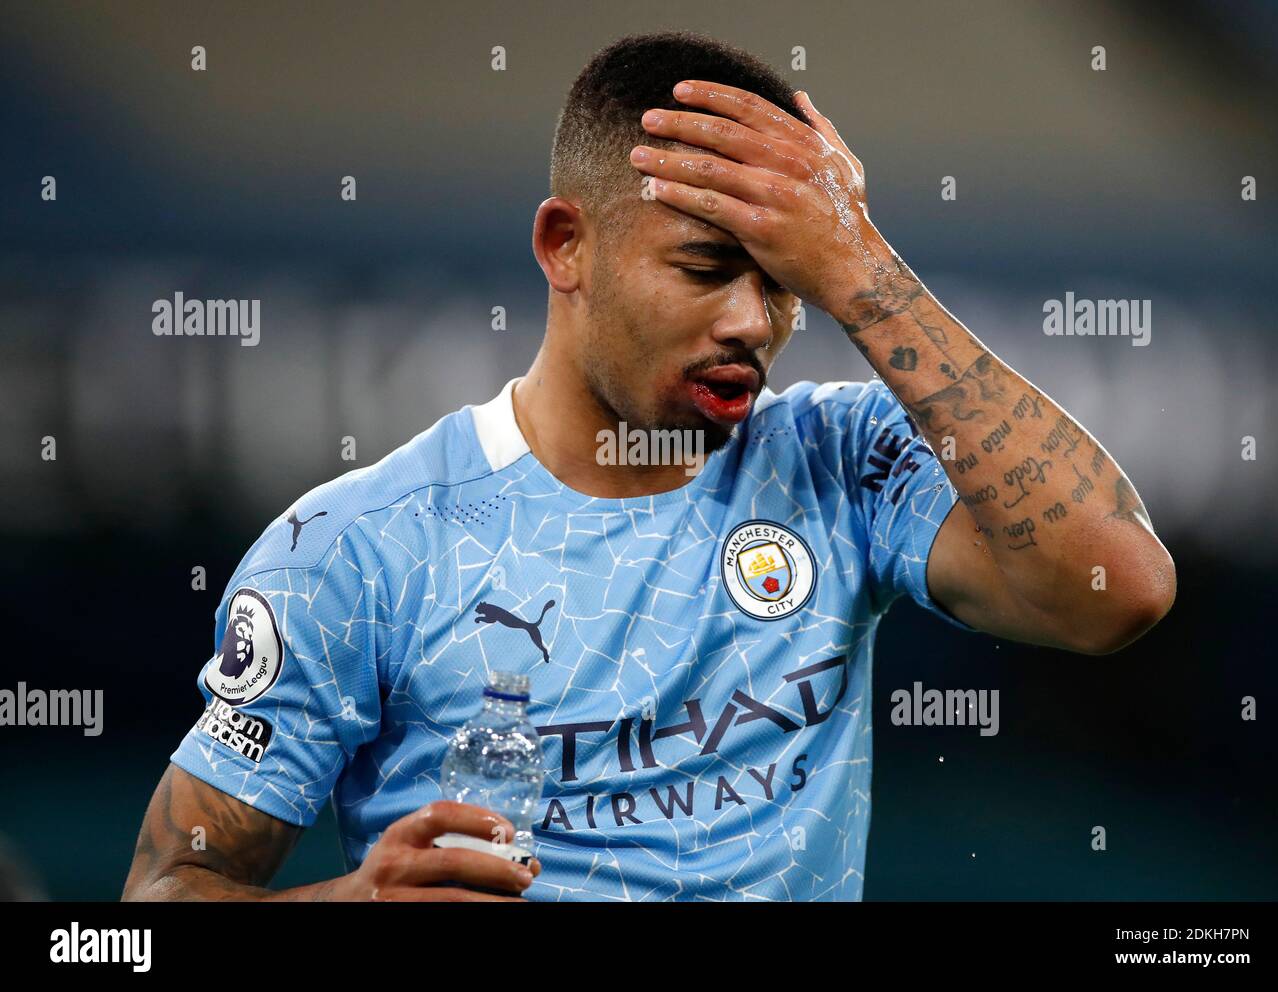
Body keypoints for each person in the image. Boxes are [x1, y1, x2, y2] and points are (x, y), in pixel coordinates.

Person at [123, 31, 1174, 902]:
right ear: (564, 244)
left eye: (785, 281)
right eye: (705, 268)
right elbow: (146, 915)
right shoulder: (353, 549)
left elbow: (1115, 589)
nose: (751, 322)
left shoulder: (842, 462)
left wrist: (859, 264)